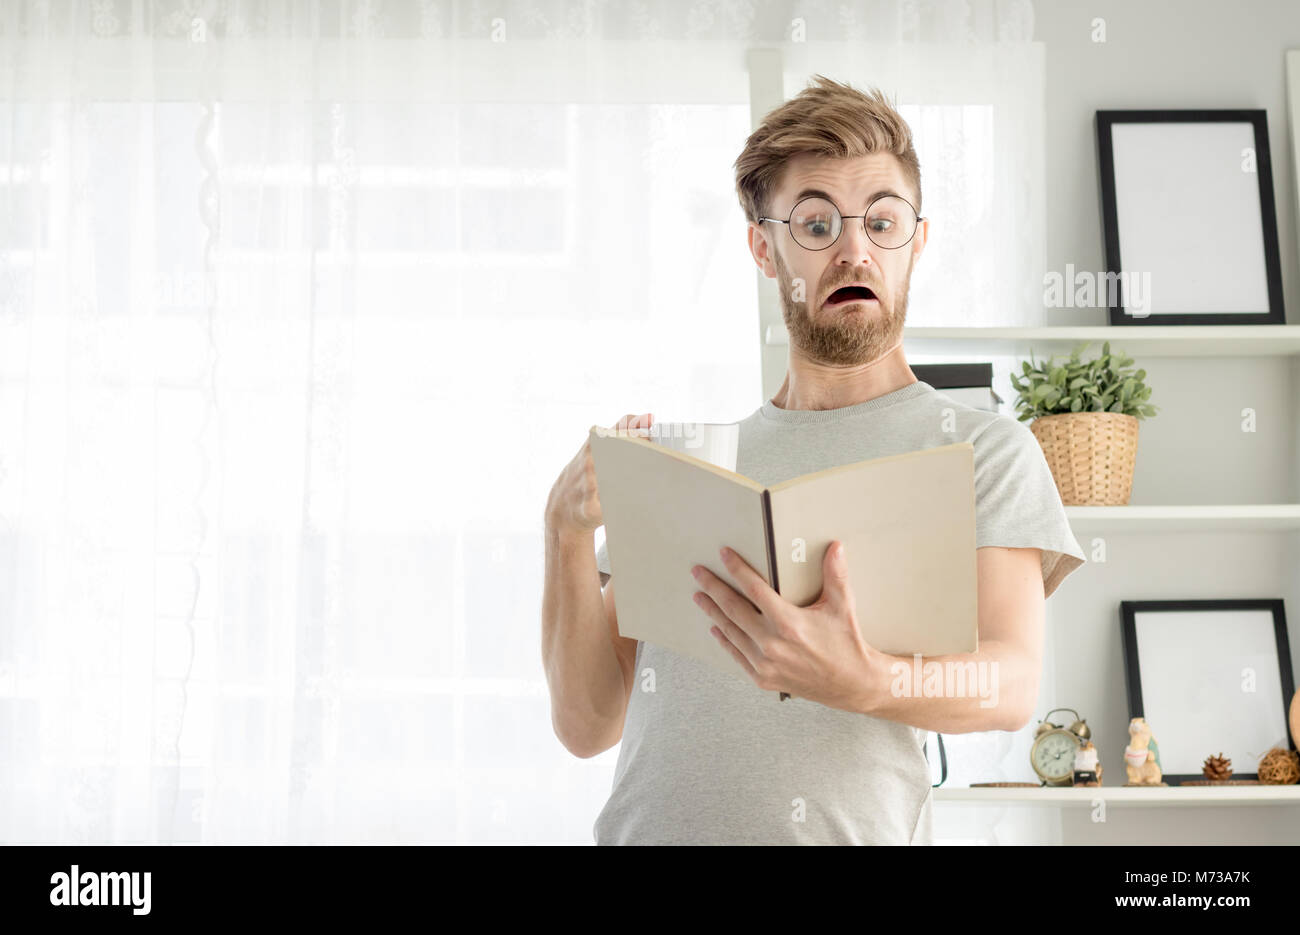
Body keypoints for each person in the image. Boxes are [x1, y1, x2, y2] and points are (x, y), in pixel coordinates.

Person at [541, 75, 1086, 845]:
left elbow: (1008, 683)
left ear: (916, 243)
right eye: (818, 223)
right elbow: (587, 722)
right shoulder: (698, 469)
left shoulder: (981, 451)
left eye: (883, 220)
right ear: (765, 247)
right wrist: (562, 534)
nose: (855, 248)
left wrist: (860, 677)